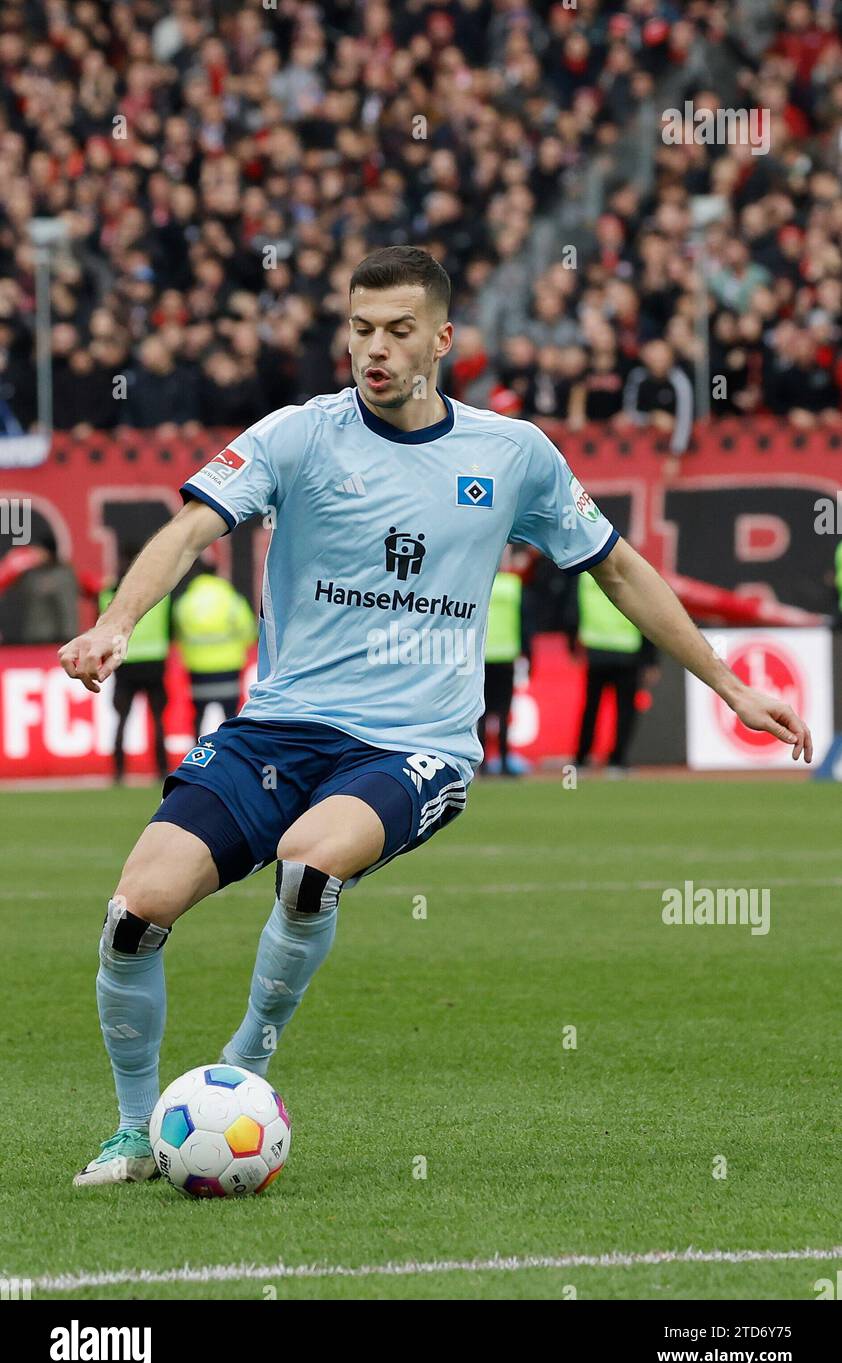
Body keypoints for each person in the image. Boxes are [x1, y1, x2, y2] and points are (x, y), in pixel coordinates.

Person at [59, 245, 812, 1187]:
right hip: (280, 729)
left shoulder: (513, 454)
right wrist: (118, 621)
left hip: (418, 746)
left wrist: (729, 684)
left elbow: (617, 566)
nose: (374, 349)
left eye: (398, 331)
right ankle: (135, 1132)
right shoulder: (298, 435)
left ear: (442, 339)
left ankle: (247, 1059)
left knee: (307, 864)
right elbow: (191, 529)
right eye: (360, 328)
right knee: (135, 911)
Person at [575, 570, 658, 776]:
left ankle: (582, 759)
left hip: (597, 650)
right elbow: (646, 617)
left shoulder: (586, 575)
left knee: (592, 707)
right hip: (627, 651)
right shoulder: (635, 575)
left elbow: (571, 610)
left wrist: (572, 642)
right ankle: (617, 761)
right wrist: (650, 659)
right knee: (625, 711)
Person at [99, 550, 171, 785]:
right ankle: (162, 770)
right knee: (158, 720)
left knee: (122, 719)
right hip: (153, 662)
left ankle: (118, 773)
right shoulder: (159, 595)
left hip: (125, 662)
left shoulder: (108, 596)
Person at [172, 558, 257, 737]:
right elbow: (248, 630)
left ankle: (196, 755)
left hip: (197, 667)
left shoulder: (185, 601)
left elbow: (178, 632)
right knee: (231, 716)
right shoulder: (231, 599)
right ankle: (232, 755)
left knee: (198, 714)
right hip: (229, 665)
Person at [478, 551, 523, 776]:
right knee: (503, 712)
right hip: (506, 656)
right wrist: (527, 653)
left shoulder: (477, 584)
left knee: (482, 712)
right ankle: (504, 760)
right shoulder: (513, 585)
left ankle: (483, 762)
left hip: (482, 657)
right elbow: (526, 621)